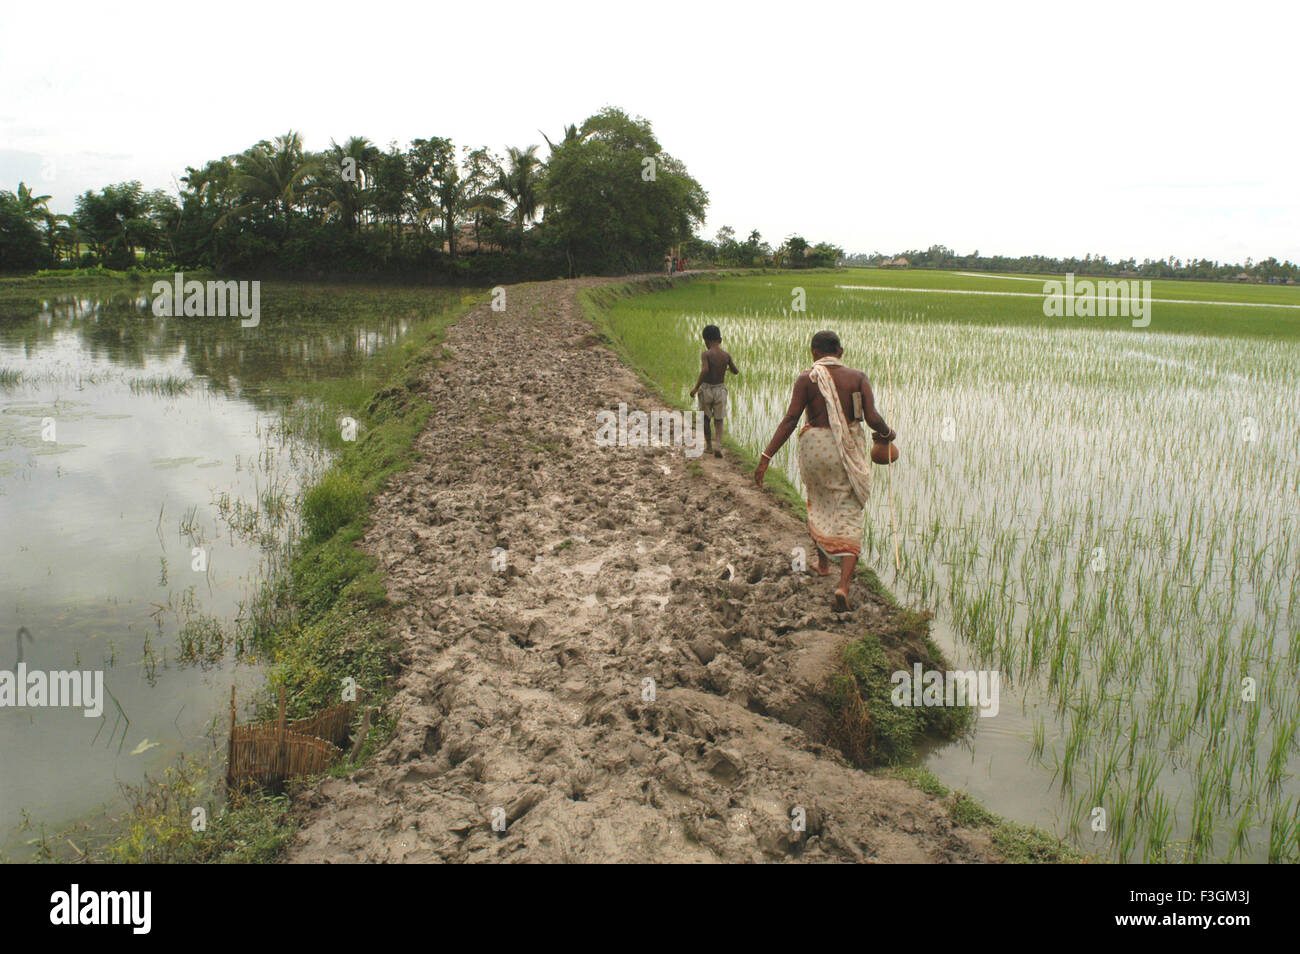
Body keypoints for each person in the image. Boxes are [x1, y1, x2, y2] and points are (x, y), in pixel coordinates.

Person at [754, 330, 895, 611]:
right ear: (840, 352)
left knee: (817, 501)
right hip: (846, 451)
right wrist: (887, 433)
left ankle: (822, 564)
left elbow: (791, 419)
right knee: (849, 511)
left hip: (816, 449)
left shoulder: (807, 378)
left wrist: (766, 456)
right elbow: (872, 417)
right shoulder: (858, 377)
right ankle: (843, 586)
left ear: (813, 352)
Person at [689, 324, 739, 458]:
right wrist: (729, 369)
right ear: (720, 340)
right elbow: (735, 371)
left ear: (705, 341)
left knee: (705, 418)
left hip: (706, 389)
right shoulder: (726, 355)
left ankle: (709, 447)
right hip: (720, 389)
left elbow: (705, 370)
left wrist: (696, 387)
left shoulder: (706, 354)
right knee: (719, 419)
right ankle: (718, 444)